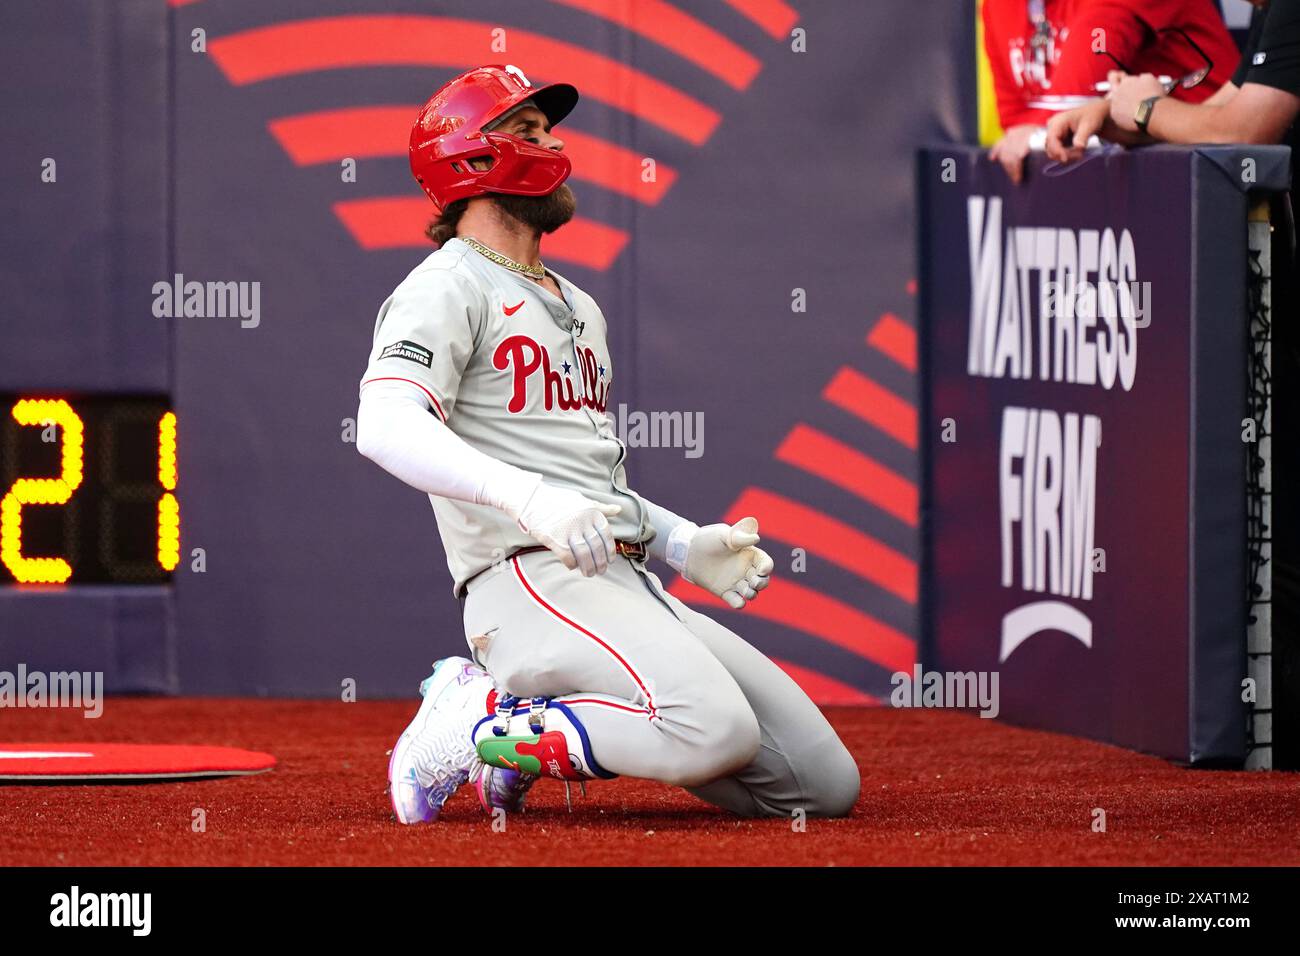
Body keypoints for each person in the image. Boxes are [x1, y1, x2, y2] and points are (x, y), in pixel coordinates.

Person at [355, 65, 861, 824]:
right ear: (471, 158)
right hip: (522, 580)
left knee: (822, 786)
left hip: (618, 580)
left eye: (547, 128)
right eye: (527, 131)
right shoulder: (446, 284)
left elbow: (582, 479)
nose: (553, 144)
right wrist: (525, 497)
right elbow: (385, 425)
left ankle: (523, 739)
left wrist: (683, 543)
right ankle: (481, 715)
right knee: (710, 727)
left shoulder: (578, 303)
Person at [984, 0, 1239, 181]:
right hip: (1139, 167)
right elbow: (1016, 122)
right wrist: (1031, 134)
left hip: (1217, 162)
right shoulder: (997, 5)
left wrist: (1032, 134)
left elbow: (1071, 106)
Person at [1045, 0, 1299, 161]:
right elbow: (1217, 112)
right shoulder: (1269, 8)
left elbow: (1245, 131)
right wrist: (1112, 118)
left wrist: (1145, 109)